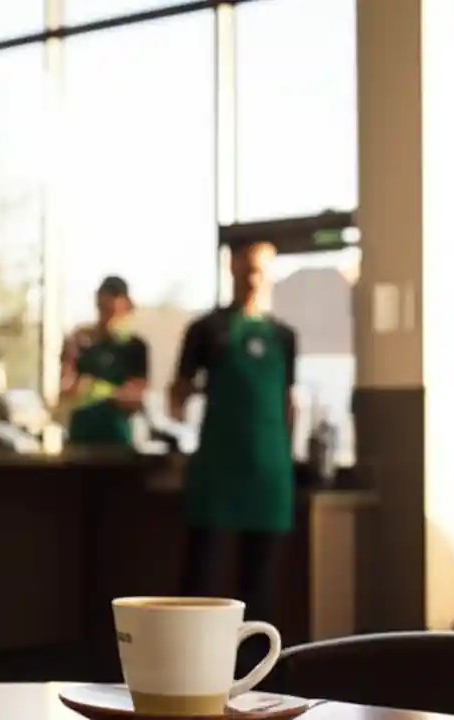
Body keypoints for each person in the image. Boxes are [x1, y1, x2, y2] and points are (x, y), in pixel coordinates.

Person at [169, 240, 297, 670]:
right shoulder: (207, 330)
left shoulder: (284, 336)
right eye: (245, 270)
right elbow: (178, 393)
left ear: (270, 274)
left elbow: (287, 402)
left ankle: (255, 677)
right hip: (218, 471)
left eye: (260, 271)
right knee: (201, 581)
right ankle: (189, 669)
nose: (252, 279)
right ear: (232, 270)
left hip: (269, 474)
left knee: (259, 588)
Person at [61, 276, 149, 448]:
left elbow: (136, 397)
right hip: (81, 434)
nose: (108, 319)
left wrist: (99, 390)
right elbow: (66, 387)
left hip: (116, 435)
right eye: (103, 310)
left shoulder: (134, 346)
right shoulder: (81, 341)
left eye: (113, 312)